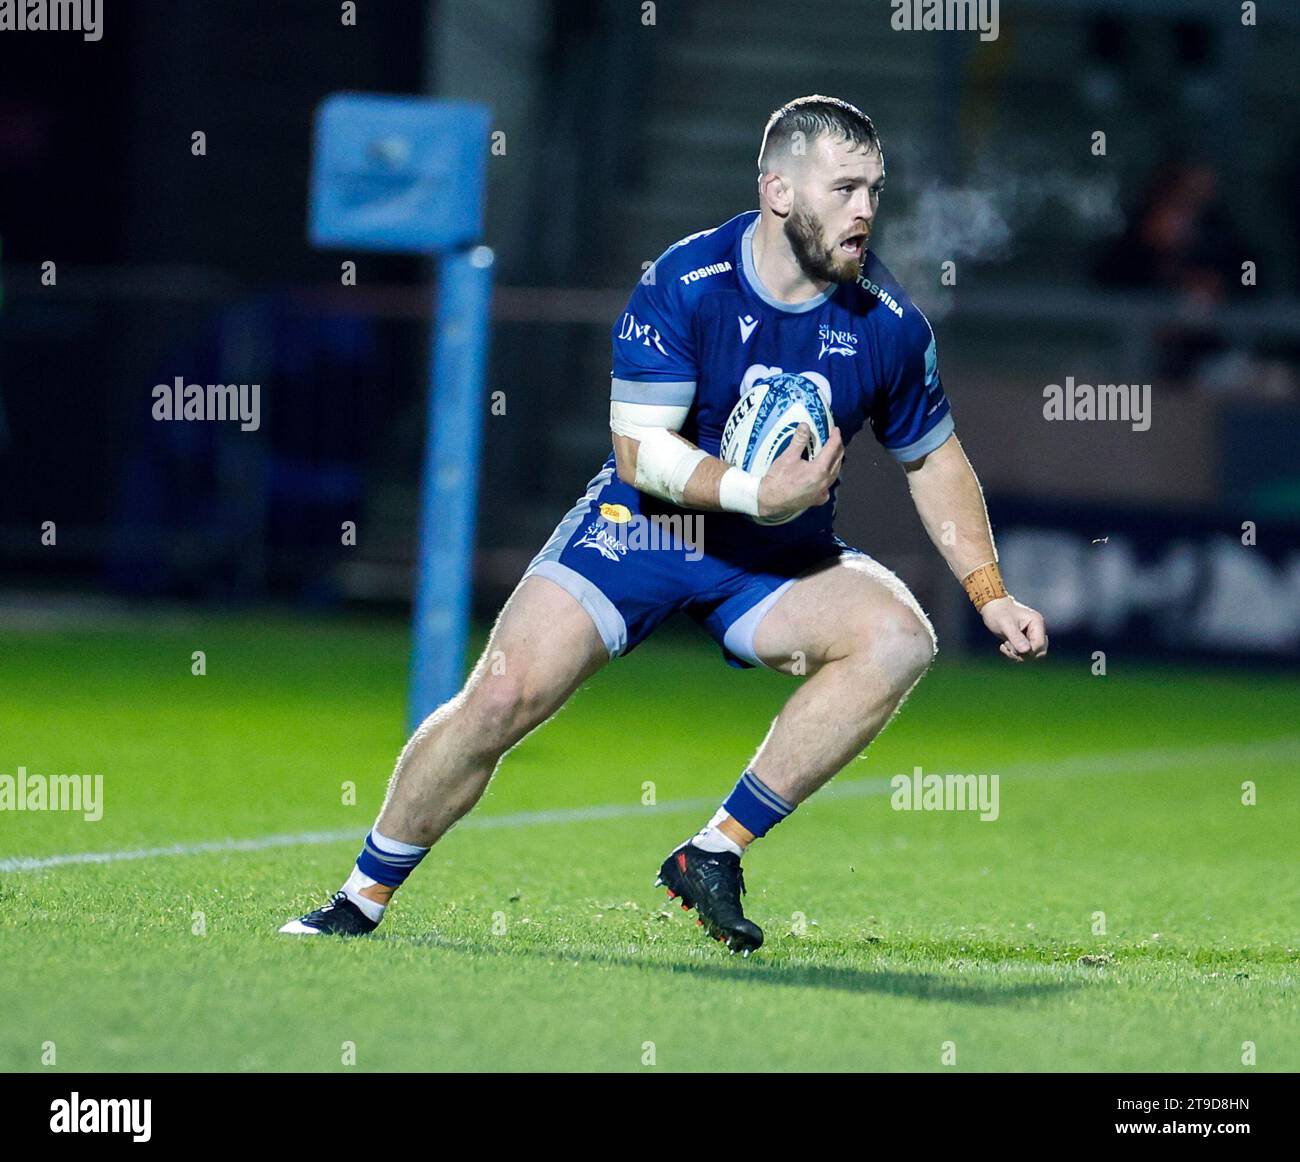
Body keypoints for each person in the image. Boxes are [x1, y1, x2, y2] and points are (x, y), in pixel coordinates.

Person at [280, 95, 1048, 954]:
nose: (865, 209)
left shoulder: (890, 326)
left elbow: (935, 461)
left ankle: (714, 852)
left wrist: (989, 592)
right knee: (499, 695)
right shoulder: (684, 282)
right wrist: (759, 494)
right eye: (844, 188)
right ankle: (359, 898)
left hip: (771, 559)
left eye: (874, 188)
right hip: (644, 532)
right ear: (780, 193)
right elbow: (642, 451)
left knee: (900, 637)